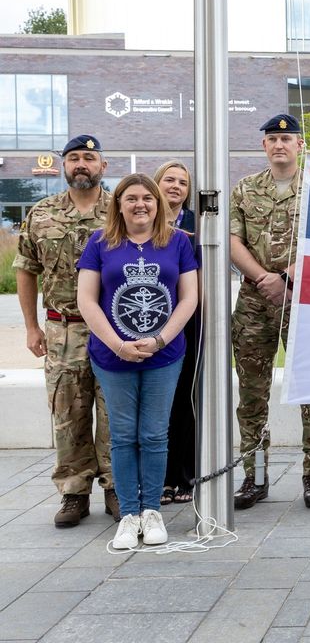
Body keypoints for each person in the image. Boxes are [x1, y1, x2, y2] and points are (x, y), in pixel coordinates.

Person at [76, 174, 198, 549]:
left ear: (158, 204)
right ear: (119, 204)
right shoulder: (100, 242)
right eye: (131, 198)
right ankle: (129, 515)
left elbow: (189, 298)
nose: (140, 204)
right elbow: (87, 300)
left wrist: (161, 338)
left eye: (148, 197)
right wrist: (118, 345)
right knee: (124, 436)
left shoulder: (177, 242)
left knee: (154, 434)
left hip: (164, 355)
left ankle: (152, 511)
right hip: (113, 356)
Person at [13, 134, 119, 527]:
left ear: (102, 166)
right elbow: (26, 269)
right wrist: (30, 327)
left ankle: (115, 488)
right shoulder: (41, 214)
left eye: (89, 157)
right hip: (64, 331)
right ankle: (74, 493)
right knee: (68, 415)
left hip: (113, 331)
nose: (81, 164)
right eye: (73, 158)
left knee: (114, 414)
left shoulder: (121, 211)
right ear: (64, 166)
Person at [230, 114, 310, 510]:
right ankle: (253, 476)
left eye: (287, 139)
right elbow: (233, 240)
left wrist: (286, 279)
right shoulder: (245, 189)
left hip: (305, 299)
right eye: (272, 139)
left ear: (299, 146)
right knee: (251, 394)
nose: (279, 145)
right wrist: (263, 279)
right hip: (255, 304)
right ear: (264, 146)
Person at [154, 160, 200, 506]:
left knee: (186, 396)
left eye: (182, 182)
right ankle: (158, 477)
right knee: (156, 399)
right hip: (148, 319)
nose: (175, 186)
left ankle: (183, 476)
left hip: (189, 318)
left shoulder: (199, 224)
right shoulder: (141, 223)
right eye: (169, 180)